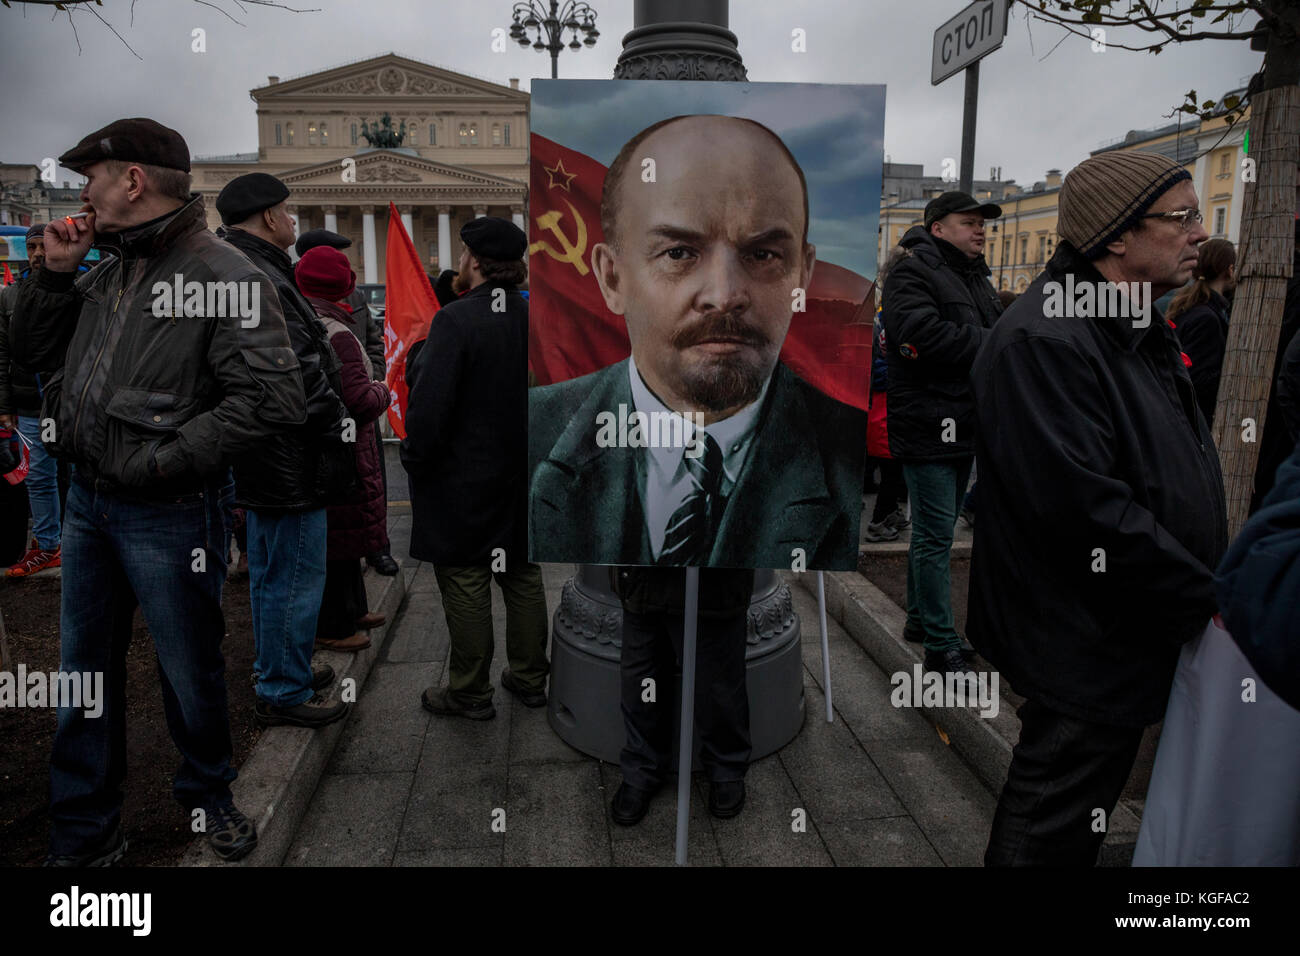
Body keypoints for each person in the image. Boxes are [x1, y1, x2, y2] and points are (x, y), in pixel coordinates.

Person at [12, 117, 308, 864]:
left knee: (189, 670)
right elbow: (31, 358)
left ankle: (210, 796)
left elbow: (274, 401)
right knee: (84, 675)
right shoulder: (105, 270)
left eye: (94, 177)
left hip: (169, 513)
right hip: (87, 505)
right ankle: (84, 837)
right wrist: (52, 276)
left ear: (132, 180)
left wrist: (163, 462)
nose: (84, 192)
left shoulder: (223, 275)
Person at [969, 151, 1227, 866]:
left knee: (1076, 808)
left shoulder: (1124, 321)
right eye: (1182, 218)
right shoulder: (1045, 340)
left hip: (1119, 623)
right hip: (1083, 633)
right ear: (1117, 235)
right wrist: (1208, 597)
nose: (1199, 233)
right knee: (1053, 810)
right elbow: (1084, 511)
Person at [528, 114, 867, 570]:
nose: (724, 296)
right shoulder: (535, 434)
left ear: (802, 275)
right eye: (679, 253)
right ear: (612, 277)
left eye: (763, 254)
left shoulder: (844, 451)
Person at [216, 173, 351, 728]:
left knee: (274, 572)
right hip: (291, 454)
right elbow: (297, 367)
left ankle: (280, 666)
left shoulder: (243, 267)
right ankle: (282, 688)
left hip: (266, 452)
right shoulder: (262, 274)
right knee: (295, 575)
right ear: (270, 217)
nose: (295, 222)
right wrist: (336, 419)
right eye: (289, 213)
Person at [401, 217, 549, 720]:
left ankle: (470, 691)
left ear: (475, 261)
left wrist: (417, 460)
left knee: (466, 578)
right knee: (523, 576)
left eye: (464, 254)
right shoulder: (534, 319)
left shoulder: (457, 319)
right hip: (524, 474)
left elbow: (430, 408)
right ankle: (530, 679)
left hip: (463, 480)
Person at [881, 190, 1004, 673]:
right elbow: (919, 337)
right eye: (968, 221)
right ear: (938, 228)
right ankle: (939, 642)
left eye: (983, 223)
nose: (980, 230)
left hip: (963, 421)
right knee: (936, 536)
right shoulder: (913, 271)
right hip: (928, 422)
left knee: (934, 532)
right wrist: (996, 343)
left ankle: (917, 619)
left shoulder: (975, 277)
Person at [295, 246, 392, 653]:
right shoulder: (336, 331)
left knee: (345, 533)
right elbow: (360, 400)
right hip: (344, 450)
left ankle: (353, 609)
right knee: (340, 535)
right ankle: (335, 625)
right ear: (346, 287)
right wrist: (385, 390)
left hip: (328, 447)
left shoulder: (308, 320)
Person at [0, 223, 63, 577]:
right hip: (27, 402)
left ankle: (67, 541)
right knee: (38, 476)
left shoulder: (76, 287)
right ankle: (48, 544)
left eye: (44, 246)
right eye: (32, 247)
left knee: (75, 475)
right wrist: (5, 404)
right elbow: (3, 352)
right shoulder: (10, 295)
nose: (38, 254)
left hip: (68, 400)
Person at [863, 249, 909, 543]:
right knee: (892, 470)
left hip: (886, 407)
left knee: (894, 469)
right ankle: (879, 522)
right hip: (884, 407)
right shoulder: (887, 317)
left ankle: (890, 514)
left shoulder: (885, 313)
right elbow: (879, 366)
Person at [1166, 237, 1236, 423]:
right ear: (1229, 270)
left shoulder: (1188, 304)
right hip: (1196, 417)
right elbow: (1199, 378)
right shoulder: (1207, 317)